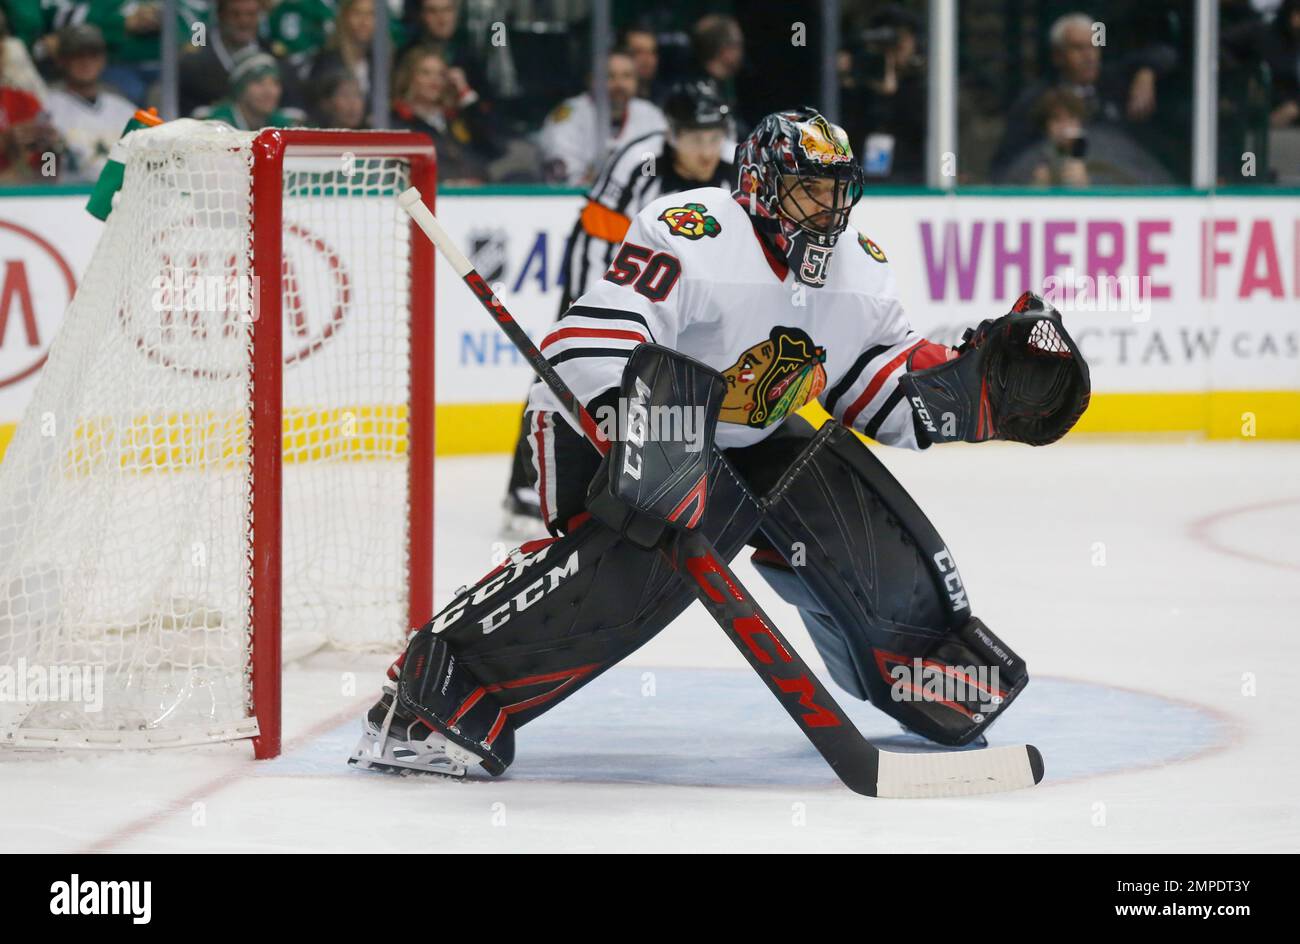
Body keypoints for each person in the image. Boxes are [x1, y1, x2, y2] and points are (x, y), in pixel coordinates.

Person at [349, 107, 1090, 780]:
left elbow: (871, 389)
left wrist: (971, 395)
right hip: (597, 426)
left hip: (737, 436)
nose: (828, 211)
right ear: (761, 188)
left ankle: (923, 666)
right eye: (809, 190)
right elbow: (591, 339)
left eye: (838, 192)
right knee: (661, 536)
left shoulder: (860, 270)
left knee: (829, 483)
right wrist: (635, 427)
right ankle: (434, 692)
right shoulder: (691, 231)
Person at [503, 80, 736, 527]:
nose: (707, 151)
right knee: (564, 374)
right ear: (672, 134)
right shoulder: (638, 162)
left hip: (683, 296)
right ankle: (522, 485)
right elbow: (595, 234)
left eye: (713, 137)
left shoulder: (732, 167)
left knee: (676, 381)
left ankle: (664, 482)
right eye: (694, 139)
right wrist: (591, 308)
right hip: (610, 284)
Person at [538, 47, 666, 187]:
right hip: (577, 200)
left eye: (627, 76)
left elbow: (653, 169)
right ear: (591, 80)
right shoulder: (570, 115)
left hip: (635, 201)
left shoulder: (650, 115)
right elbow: (563, 173)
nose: (619, 84)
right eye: (610, 76)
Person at [390, 45, 499, 185]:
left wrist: (465, 94)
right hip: (431, 199)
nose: (434, 80)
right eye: (425, 73)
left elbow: (494, 143)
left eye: (440, 74)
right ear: (410, 77)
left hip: (476, 196)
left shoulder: (455, 118)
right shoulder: (398, 121)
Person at [44, 24, 137, 182]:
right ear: (62, 61)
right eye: (78, 55)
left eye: (93, 54)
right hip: (66, 198)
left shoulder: (124, 109)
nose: (86, 62)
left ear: (103, 59)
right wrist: (48, 157)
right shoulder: (49, 107)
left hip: (122, 197)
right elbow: (45, 172)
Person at [194, 50, 305, 130]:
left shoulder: (287, 125)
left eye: (275, 83)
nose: (269, 91)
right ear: (240, 89)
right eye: (259, 83)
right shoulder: (212, 125)